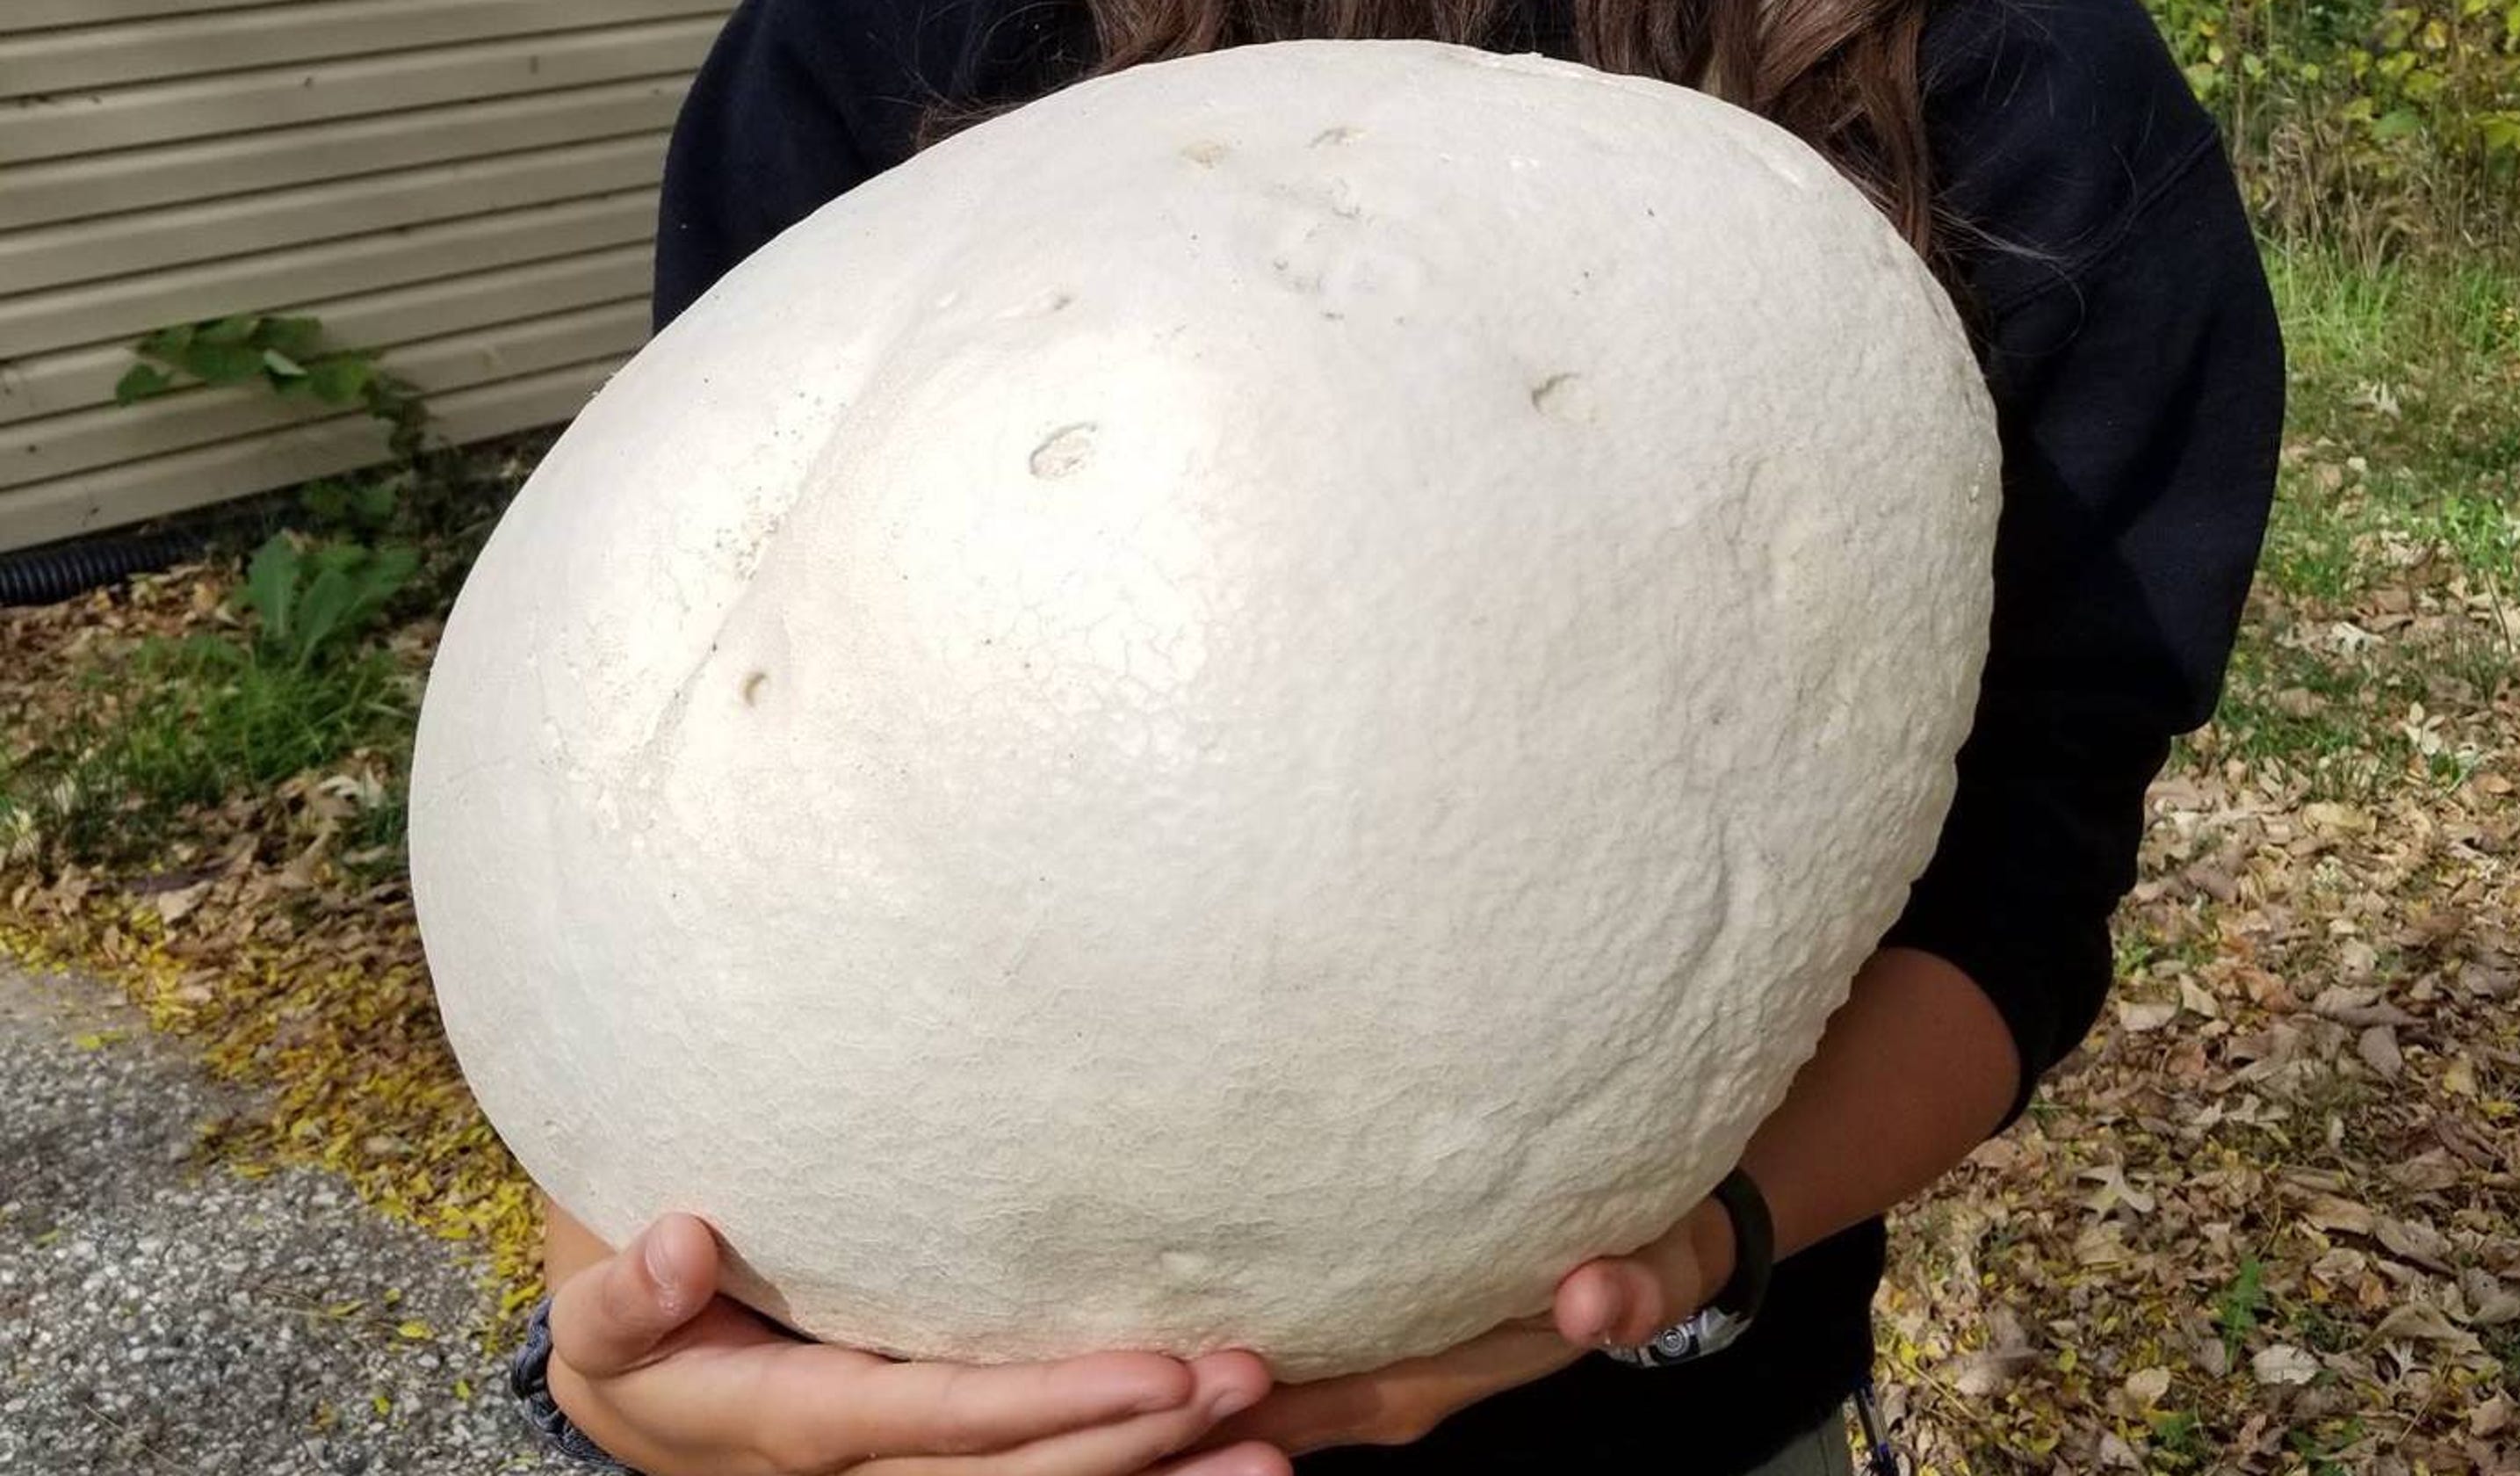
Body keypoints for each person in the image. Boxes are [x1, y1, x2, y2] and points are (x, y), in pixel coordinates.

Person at [511, 2, 2284, 1472]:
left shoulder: (2018, 79)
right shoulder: (889, 28)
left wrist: (1706, 1241)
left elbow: (2021, 868)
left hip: (1661, 1423)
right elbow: (649, 787)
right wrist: (639, 1314)